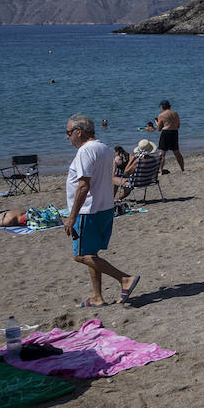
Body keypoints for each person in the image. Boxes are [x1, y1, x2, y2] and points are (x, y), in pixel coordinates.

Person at [62, 114, 138, 308]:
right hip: (104, 208)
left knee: (80, 255)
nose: (67, 138)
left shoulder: (86, 151)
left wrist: (72, 217)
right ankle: (97, 297)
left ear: (79, 132)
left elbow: (83, 186)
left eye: (68, 133)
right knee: (91, 253)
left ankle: (124, 279)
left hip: (88, 211)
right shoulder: (104, 148)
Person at [155, 100, 184, 173]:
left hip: (165, 133)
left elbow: (159, 129)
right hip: (174, 133)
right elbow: (178, 126)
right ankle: (182, 169)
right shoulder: (175, 113)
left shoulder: (161, 115)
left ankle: (160, 170)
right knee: (177, 152)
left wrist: (156, 122)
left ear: (162, 107)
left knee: (162, 153)